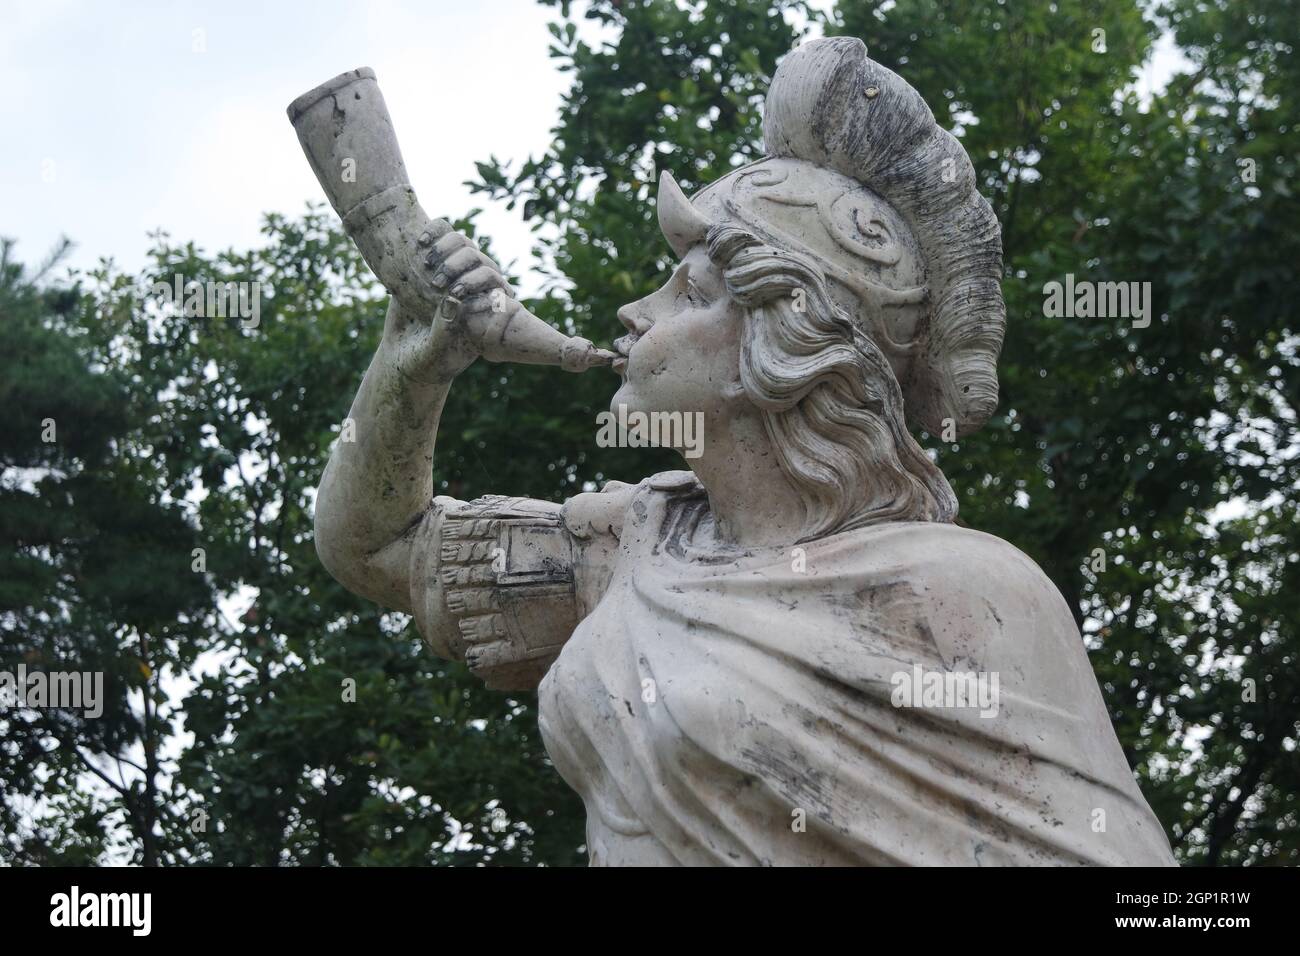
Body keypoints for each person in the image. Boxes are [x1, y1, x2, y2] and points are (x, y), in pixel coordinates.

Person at [314, 37, 1176, 866]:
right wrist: (414, 362)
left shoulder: (965, 589)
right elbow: (379, 547)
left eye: (688, 289)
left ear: (785, 341)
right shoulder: (636, 545)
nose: (636, 313)